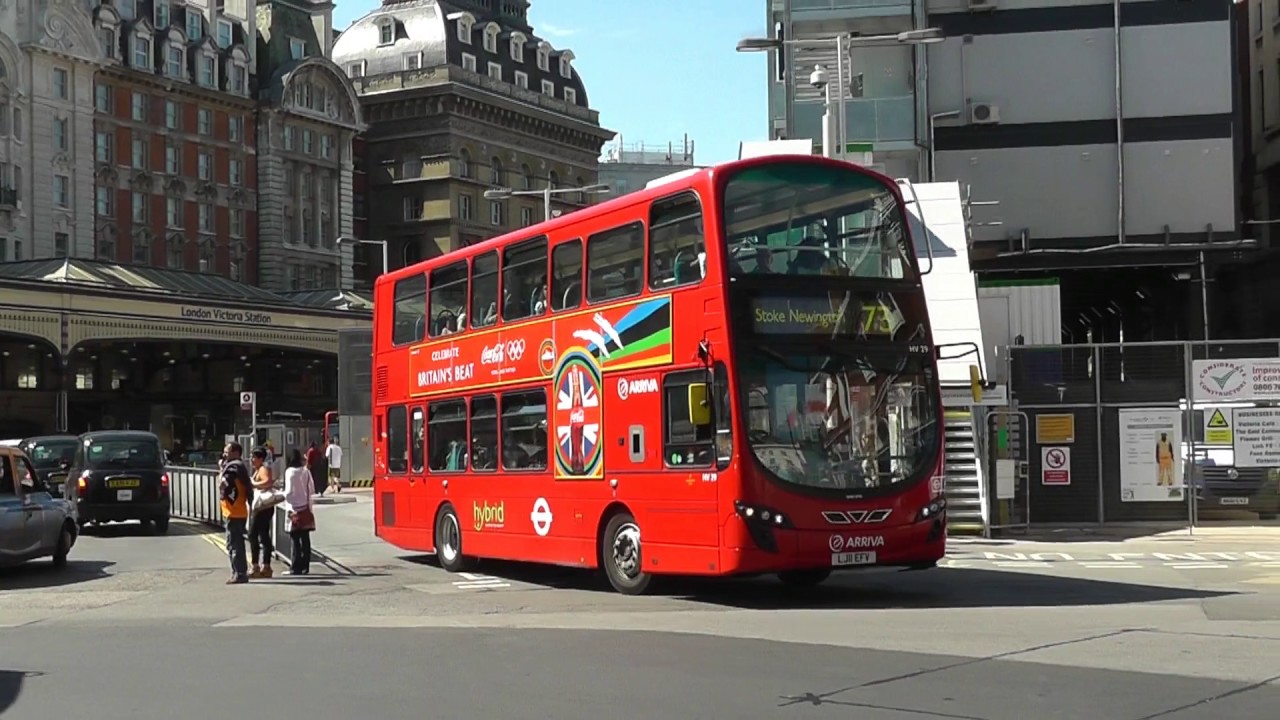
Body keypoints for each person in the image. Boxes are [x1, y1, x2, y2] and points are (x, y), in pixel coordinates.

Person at [218, 442, 252, 584]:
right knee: (236, 543)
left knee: (234, 544)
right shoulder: (239, 466)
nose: (224, 455)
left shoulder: (233, 467)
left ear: (236, 453)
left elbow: (224, 483)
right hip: (237, 512)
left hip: (234, 512)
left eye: (227, 452)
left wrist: (221, 471)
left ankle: (239, 573)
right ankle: (240, 572)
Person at [283, 449, 316, 575]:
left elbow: (288, 492)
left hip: (293, 509)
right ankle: (305, 567)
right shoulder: (306, 471)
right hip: (306, 508)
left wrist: (280, 495)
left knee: (295, 539)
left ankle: (295, 567)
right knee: (305, 539)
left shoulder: (289, 472)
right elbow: (311, 489)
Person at [247, 446, 275, 579]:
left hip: (262, 508)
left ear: (260, 458)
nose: (251, 460)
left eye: (253, 457)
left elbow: (267, 482)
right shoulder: (259, 469)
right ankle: (265, 566)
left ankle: (257, 566)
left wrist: (254, 484)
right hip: (263, 507)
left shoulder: (263, 469)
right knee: (263, 535)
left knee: (253, 534)